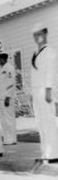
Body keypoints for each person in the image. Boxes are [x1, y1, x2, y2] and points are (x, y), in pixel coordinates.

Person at [30, 23, 58, 163]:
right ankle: (45, 154)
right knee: (40, 123)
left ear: (45, 34)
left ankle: (53, 154)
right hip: (36, 90)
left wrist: (48, 91)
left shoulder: (50, 51)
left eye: (39, 34)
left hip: (45, 90)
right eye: (34, 35)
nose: (37, 37)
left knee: (49, 122)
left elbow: (51, 73)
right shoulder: (36, 52)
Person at [0, 50, 17, 146]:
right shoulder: (1, 69)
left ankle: (12, 139)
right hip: (1, 97)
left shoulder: (9, 68)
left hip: (7, 97)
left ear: (3, 59)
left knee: (9, 119)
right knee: (3, 120)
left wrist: (8, 96)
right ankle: (6, 138)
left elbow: (11, 83)